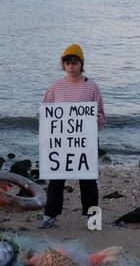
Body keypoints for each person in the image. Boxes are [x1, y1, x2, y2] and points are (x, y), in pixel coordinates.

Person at [39, 44, 106, 229]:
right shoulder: (55, 87)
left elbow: (101, 115)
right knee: (56, 179)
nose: (70, 65)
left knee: (88, 180)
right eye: (67, 62)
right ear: (63, 64)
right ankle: (50, 216)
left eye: (74, 62)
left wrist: (92, 119)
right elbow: (46, 114)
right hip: (61, 142)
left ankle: (92, 218)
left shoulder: (92, 86)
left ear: (81, 63)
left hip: (85, 141)